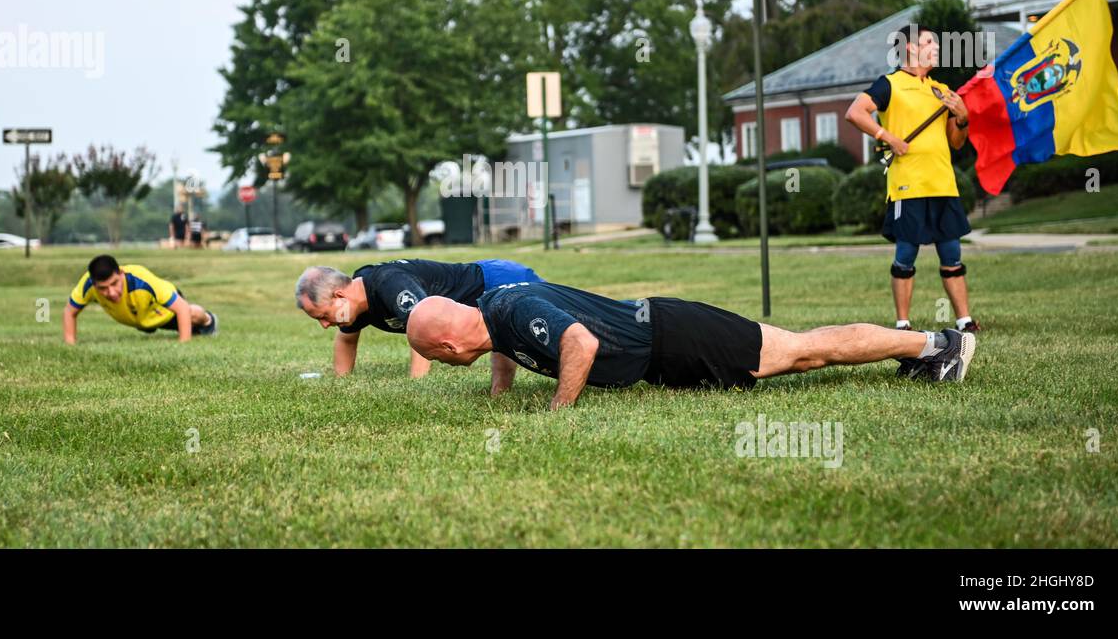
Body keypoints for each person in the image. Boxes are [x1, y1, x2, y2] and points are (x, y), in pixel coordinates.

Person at [405, 282, 976, 410]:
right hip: (662, 350)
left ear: (452, 344)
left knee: (803, 353)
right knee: (794, 358)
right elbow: (507, 346)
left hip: (675, 335)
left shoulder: (509, 308)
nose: (441, 365)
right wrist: (501, 388)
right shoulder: (495, 314)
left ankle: (935, 344)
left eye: (434, 357)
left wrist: (559, 411)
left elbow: (580, 342)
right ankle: (919, 349)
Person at [845, 23, 980, 334]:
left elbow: (956, 142)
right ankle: (902, 325)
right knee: (905, 255)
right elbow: (855, 112)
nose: (937, 48)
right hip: (908, 186)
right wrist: (887, 136)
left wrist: (962, 117)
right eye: (930, 42)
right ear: (910, 47)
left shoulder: (942, 91)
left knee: (952, 254)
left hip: (943, 184)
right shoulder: (889, 84)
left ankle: (964, 321)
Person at [295, 259, 542, 378]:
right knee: (504, 341)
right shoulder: (356, 299)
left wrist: (417, 384)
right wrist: (342, 382)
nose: (325, 324)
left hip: (497, 280)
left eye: (324, 316)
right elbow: (346, 340)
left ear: (340, 296)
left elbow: (423, 327)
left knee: (544, 333)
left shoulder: (389, 284)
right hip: (488, 286)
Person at [63, 254, 217, 344]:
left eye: (114, 283)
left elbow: (181, 308)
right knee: (149, 325)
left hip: (164, 311)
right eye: (102, 288)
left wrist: (184, 343)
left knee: (191, 313)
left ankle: (209, 320)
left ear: (121, 273)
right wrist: (70, 344)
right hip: (141, 319)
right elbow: (70, 311)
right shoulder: (87, 285)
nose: (111, 292)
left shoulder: (141, 279)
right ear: (94, 283)